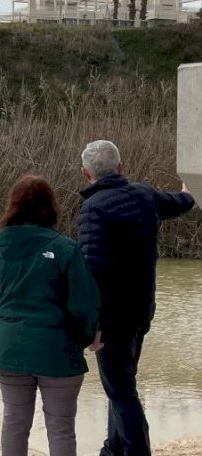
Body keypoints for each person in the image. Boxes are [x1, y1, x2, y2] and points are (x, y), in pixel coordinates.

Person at [77, 140, 196, 456]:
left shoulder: (93, 208)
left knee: (121, 391)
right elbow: (178, 203)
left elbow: (92, 271)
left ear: (85, 173)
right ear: (121, 167)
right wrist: (190, 190)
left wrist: (93, 324)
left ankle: (135, 451)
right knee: (122, 384)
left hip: (112, 318)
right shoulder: (143, 194)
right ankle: (113, 448)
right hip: (141, 311)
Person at [0, 174, 101, 456]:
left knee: (14, 424)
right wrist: (80, 340)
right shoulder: (65, 248)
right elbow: (86, 304)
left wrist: (6, 330)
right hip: (58, 352)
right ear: (51, 206)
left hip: (8, 349)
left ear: (13, 205)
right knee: (60, 428)